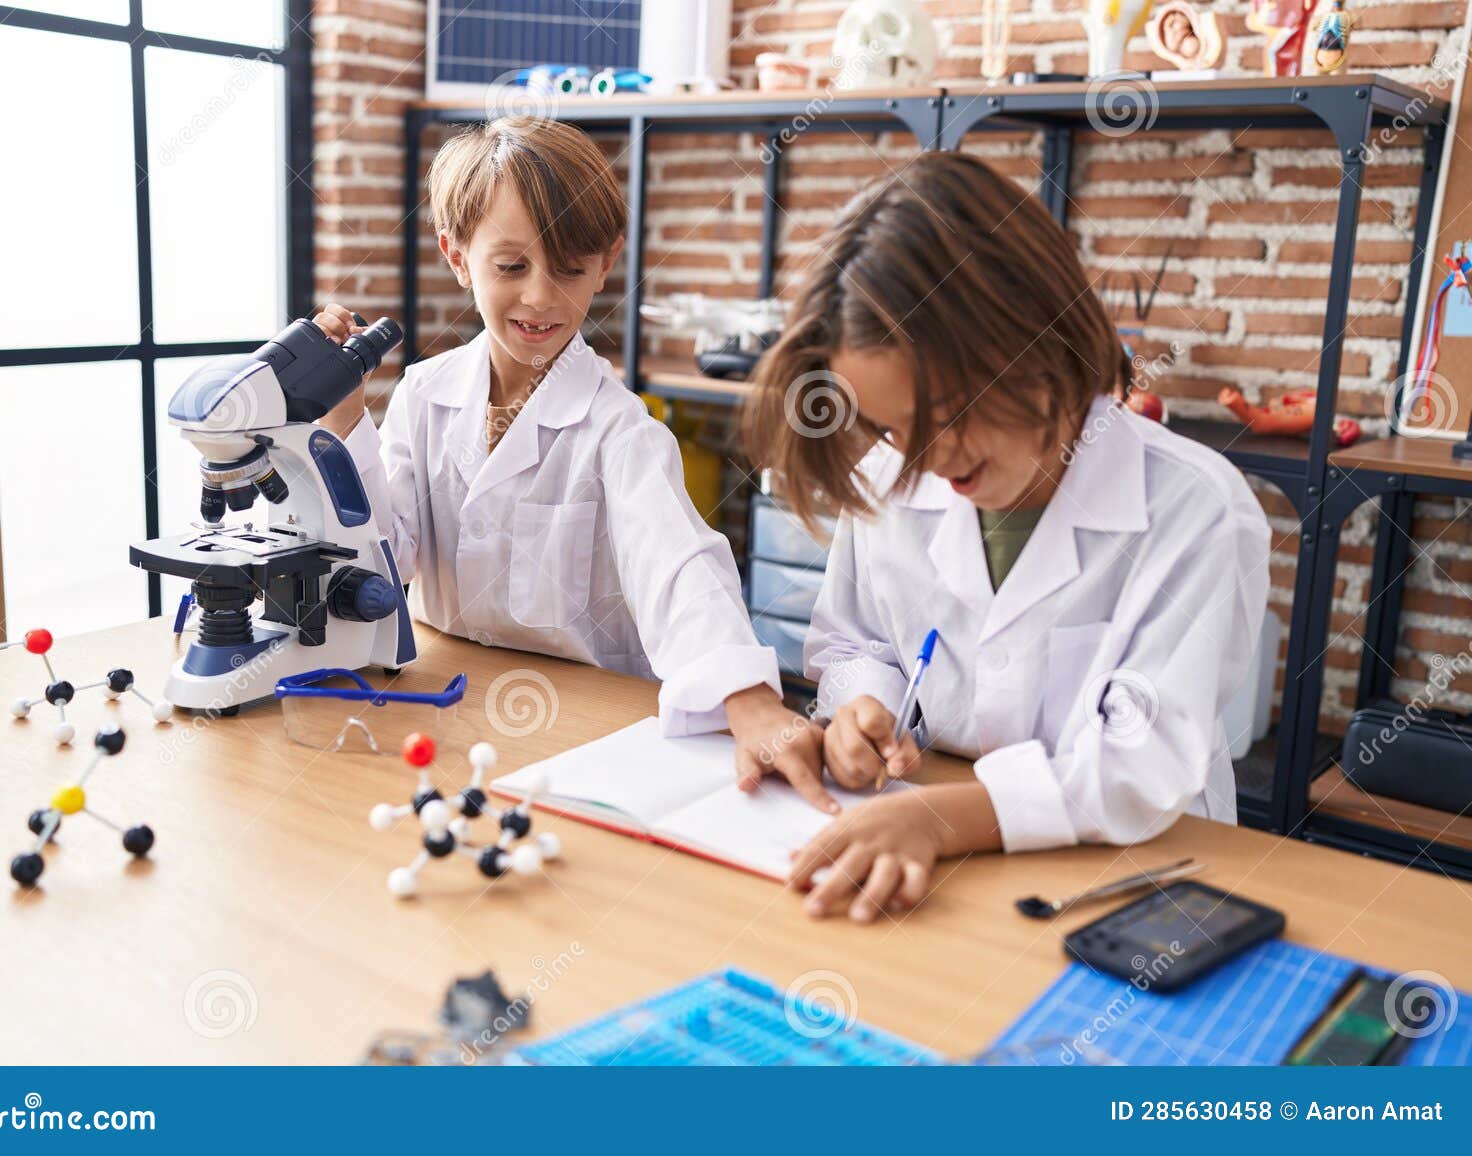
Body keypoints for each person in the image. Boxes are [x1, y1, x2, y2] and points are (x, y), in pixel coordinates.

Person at [739, 151, 1272, 920]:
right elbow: (857, 645)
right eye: (893, 428)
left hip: (1132, 877)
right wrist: (866, 708)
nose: (924, 458)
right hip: (946, 863)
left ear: (1040, 338)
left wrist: (937, 817)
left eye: (950, 412)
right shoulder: (894, 476)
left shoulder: (1195, 509)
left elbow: (1142, 765)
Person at [314, 117, 808, 756]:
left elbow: (678, 566)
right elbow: (387, 558)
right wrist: (345, 418)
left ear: (606, 265)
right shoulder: (422, 395)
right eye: (512, 265)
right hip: (441, 701)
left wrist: (752, 700)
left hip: (580, 725)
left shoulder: (618, 428)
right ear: (457, 257)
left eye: (570, 269)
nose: (541, 297)